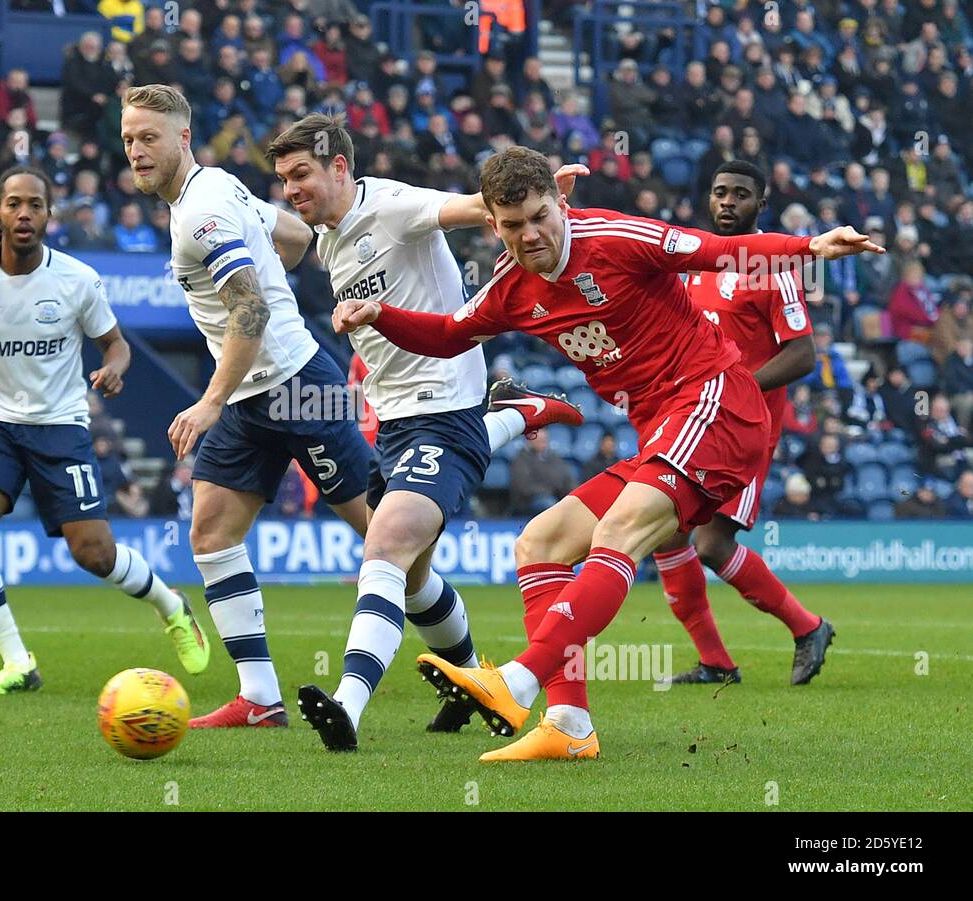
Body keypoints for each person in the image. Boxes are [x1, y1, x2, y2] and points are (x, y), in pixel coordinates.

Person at [333, 146, 881, 761]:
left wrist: (810, 248)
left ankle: (515, 681)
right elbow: (445, 336)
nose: (530, 234)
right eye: (512, 225)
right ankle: (568, 722)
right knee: (540, 543)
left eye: (540, 216)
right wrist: (378, 313)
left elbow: (715, 249)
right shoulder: (511, 289)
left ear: (559, 203)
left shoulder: (616, 238)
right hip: (663, 428)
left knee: (618, 532)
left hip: (715, 399)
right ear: (493, 224)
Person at [267, 113, 583, 748]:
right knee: (412, 579)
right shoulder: (330, 242)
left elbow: (472, 208)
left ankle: (347, 708)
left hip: (443, 415)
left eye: (302, 174)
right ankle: (469, 680)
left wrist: (542, 186)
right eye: (282, 178)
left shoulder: (391, 205)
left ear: (339, 168)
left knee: (383, 546)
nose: (291, 189)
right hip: (395, 428)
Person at [0, 165, 209, 696]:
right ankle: (17, 663)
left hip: (61, 429)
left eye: (35, 205)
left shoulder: (75, 279)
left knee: (94, 554)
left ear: (49, 215)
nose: (24, 214)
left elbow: (114, 344)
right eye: (14, 204)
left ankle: (171, 606)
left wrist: (115, 367)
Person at [122, 85, 378, 730]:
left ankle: (469, 663)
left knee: (385, 537)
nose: (136, 151)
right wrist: (271, 267)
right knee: (210, 532)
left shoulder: (200, 212)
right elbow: (291, 233)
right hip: (250, 394)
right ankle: (260, 699)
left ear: (183, 138)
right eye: (128, 139)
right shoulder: (222, 187)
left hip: (295, 385)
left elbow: (252, 310)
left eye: (149, 137)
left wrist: (208, 401)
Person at [643, 161, 828, 687]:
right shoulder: (693, 263)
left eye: (741, 195)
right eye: (720, 192)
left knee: (711, 544)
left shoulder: (772, 267)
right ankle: (716, 662)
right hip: (694, 421)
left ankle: (806, 626)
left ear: (759, 206)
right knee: (665, 532)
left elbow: (802, 355)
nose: (727, 202)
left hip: (747, 428)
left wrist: (738, 387)